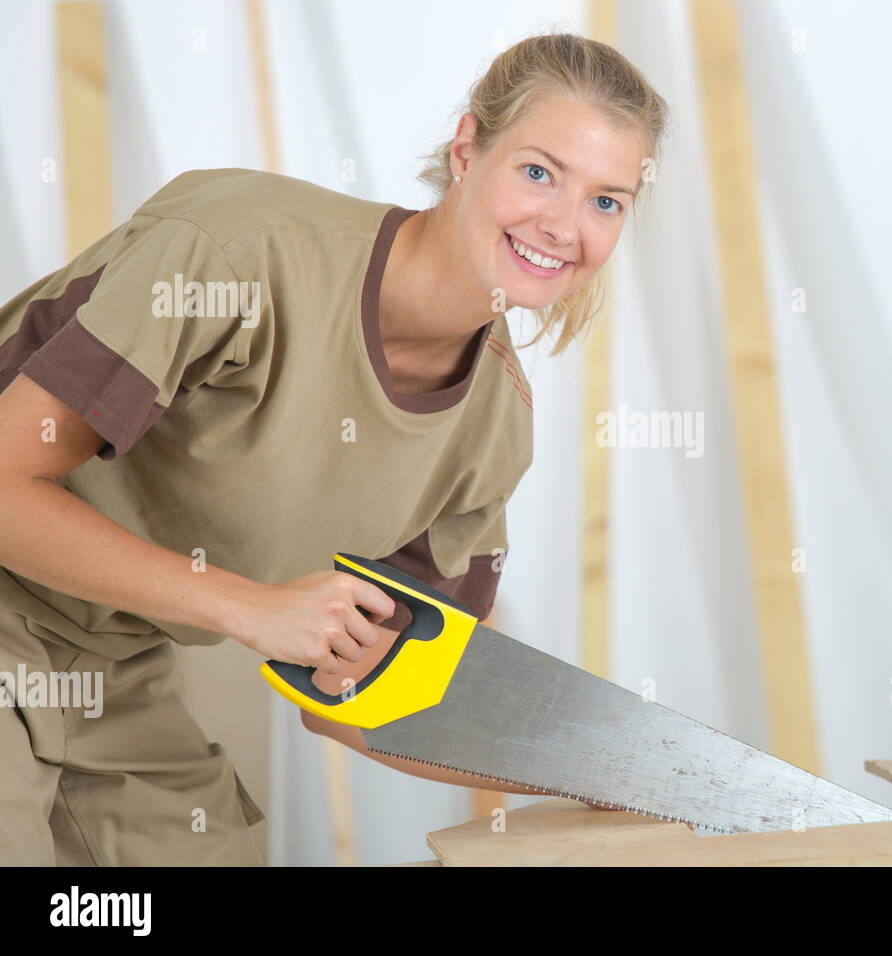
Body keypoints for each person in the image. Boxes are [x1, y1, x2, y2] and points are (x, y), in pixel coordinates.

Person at [0, 31, 669, 865]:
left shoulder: (496, 427)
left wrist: (603, 769)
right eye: (540, 172)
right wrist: (248, 606)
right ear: (468, 150)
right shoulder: (241, 250)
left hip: (117, 660)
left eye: (607, 201)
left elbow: (368, 696)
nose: (566, 225)